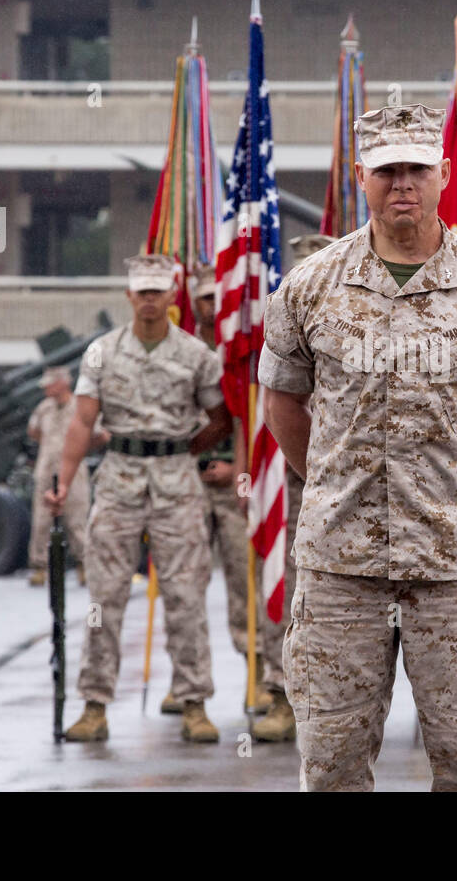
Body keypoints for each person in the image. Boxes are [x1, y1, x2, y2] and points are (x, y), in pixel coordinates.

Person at [260, 103, 457, 790]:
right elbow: (282, 406)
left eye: (416, 168)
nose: (402, 184)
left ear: (443, 174)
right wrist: (336, 481)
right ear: (361, 175)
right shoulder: (308, 287)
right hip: (340, 566)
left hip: (455, 566)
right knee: (331, 767)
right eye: (387, 169)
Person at [47, 253, 232, 744]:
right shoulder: (101, 353)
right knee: (103, 597)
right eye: (142, 292)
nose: (150, 300)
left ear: (173, 296)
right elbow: (83, 422)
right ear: (129, 296)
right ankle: (93, 704)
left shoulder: (197, 354)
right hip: (119, 480)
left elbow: (220, 419)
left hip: (176, 483)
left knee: (186, 595)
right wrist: (62, 483)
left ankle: (194, 701)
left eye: (158, 291)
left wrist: (181, 449)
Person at [253, 232, 334, 743]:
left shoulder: (361, 323)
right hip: (295, 478)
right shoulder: (281, 327)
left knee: (350, 604)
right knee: (289, 594)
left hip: (354, 485)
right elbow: (277, 404)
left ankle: (334, 706)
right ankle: (283, 695)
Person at [188, 266, 271, 714]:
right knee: (185, 586)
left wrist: (238, 475)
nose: (208, 306)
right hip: (184, 484)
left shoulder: (236, 351)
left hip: (230, 479)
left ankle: (255, 672)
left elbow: (244, 419)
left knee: (244, 583)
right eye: (201, 298)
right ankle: (188, 685)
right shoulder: (182, 351)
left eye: (214, 298)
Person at [27, 366, 102, 588]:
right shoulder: (44, 409)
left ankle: (83, 566)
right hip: (45, 471)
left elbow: (100, 435)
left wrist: (79, 449)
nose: (46, 388)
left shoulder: (80, 407)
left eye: (50, 383)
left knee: (77, 520)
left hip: (75, 472)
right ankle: (39, 567)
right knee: (41, 520)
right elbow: (34, 432)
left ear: (63, 383)